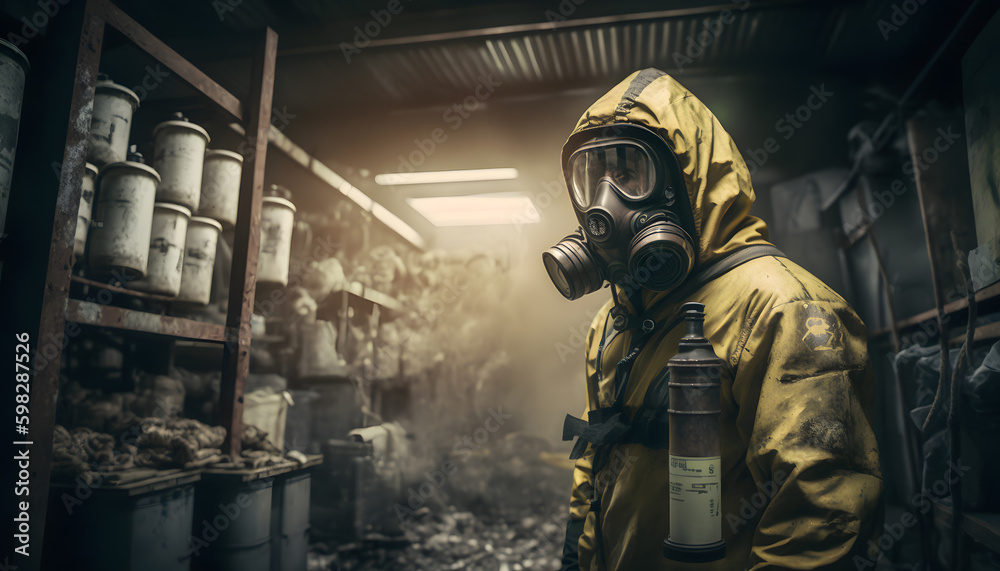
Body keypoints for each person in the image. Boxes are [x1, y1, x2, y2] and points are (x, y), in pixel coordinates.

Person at [543, 69, 883, 570]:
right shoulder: (614, 322)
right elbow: (595, 470)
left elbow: (816, 521)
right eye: (591, 177)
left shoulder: (786, 310)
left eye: (629, 173)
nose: (603, 201)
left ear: (687, 182)